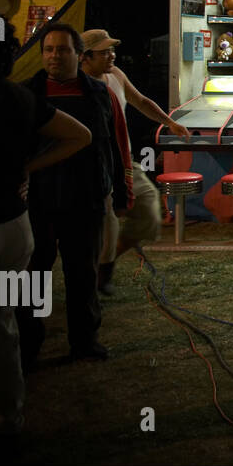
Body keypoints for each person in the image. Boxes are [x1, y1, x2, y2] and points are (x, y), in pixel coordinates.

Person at [0, 9, 91, 455]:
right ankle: (7, 418)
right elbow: (78, 135)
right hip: (13, 227)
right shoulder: (20, 98)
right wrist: (24, 168)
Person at [18, 24, 127, 366]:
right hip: (38, 200)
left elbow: (116, 141)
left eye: (62, 50)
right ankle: (28, 342)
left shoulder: (99, 93)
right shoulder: (26, 94)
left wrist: (121, 189)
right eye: (48, 49)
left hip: (86, 196)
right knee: (34, 273)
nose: (54, 56)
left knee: (82, 272)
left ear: (78, 56)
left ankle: (84, 340)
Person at [80, 28, 181, 294]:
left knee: (149, 209)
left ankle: (105, 262)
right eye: (104, 52)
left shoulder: (115, 75)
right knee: (108, 222)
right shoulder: (76, 86)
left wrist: (169, 122)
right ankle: (101, 277)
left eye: (112, 50)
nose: (112, 56)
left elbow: (141, 101)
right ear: (85, 58)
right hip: (96, 164)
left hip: (124, 161)